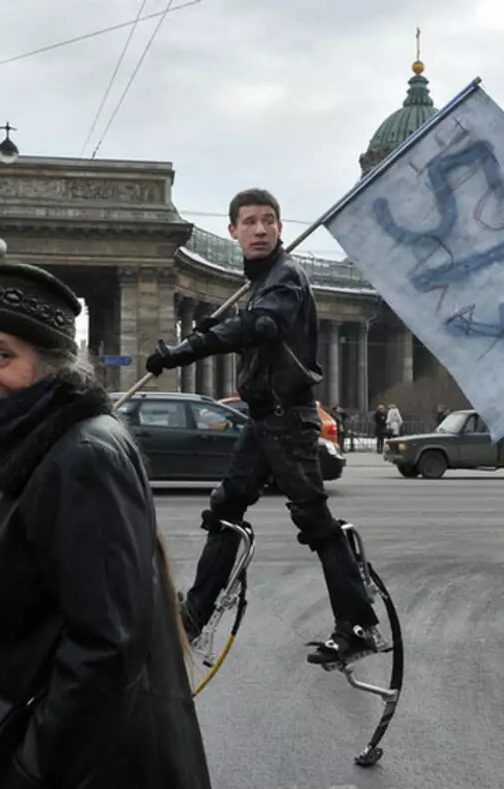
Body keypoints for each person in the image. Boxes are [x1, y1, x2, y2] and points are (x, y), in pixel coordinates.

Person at [0, 263, 213, 789]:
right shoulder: (17, 442)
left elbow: (104, 649)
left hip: (82, 775)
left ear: (51, 360)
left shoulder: (79, 455)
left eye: (1, 355)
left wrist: (34, 775)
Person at [146, 188, 381, 666]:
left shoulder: (285, 278)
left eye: (268, 221)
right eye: (249, 222)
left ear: (279, 228)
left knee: (314, 520)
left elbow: (263, 327)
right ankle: (195, 614)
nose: (259, 229)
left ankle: (357, 625)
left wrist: (185, 349)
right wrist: (216, 325)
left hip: (287, 417)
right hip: (263, 418)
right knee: (226, 507)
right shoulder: (264, 280)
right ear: (233, 230)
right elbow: (253, 326)